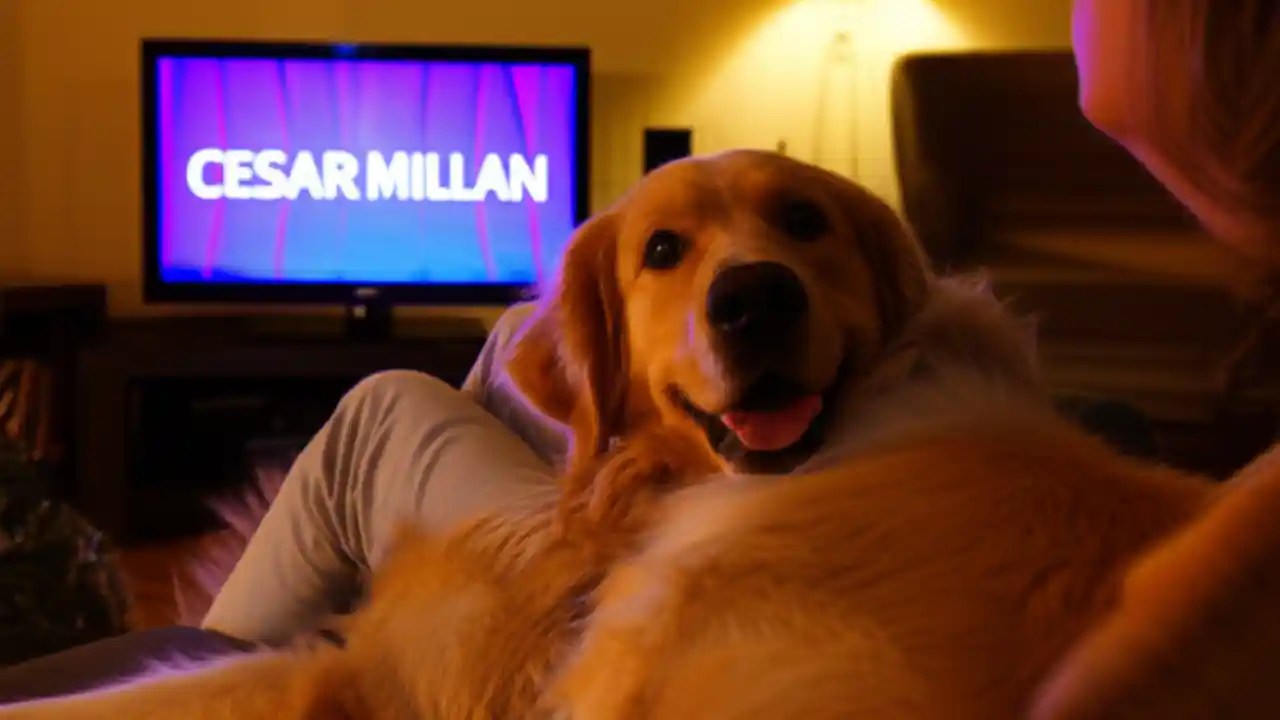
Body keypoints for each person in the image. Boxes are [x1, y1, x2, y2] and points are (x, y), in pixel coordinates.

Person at [4, 0, 1280, 706]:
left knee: (394, 406)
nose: (745, 274)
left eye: (797, 226)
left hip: (684, 598)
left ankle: (246, 670)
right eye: (672, 253)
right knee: (523, 352)